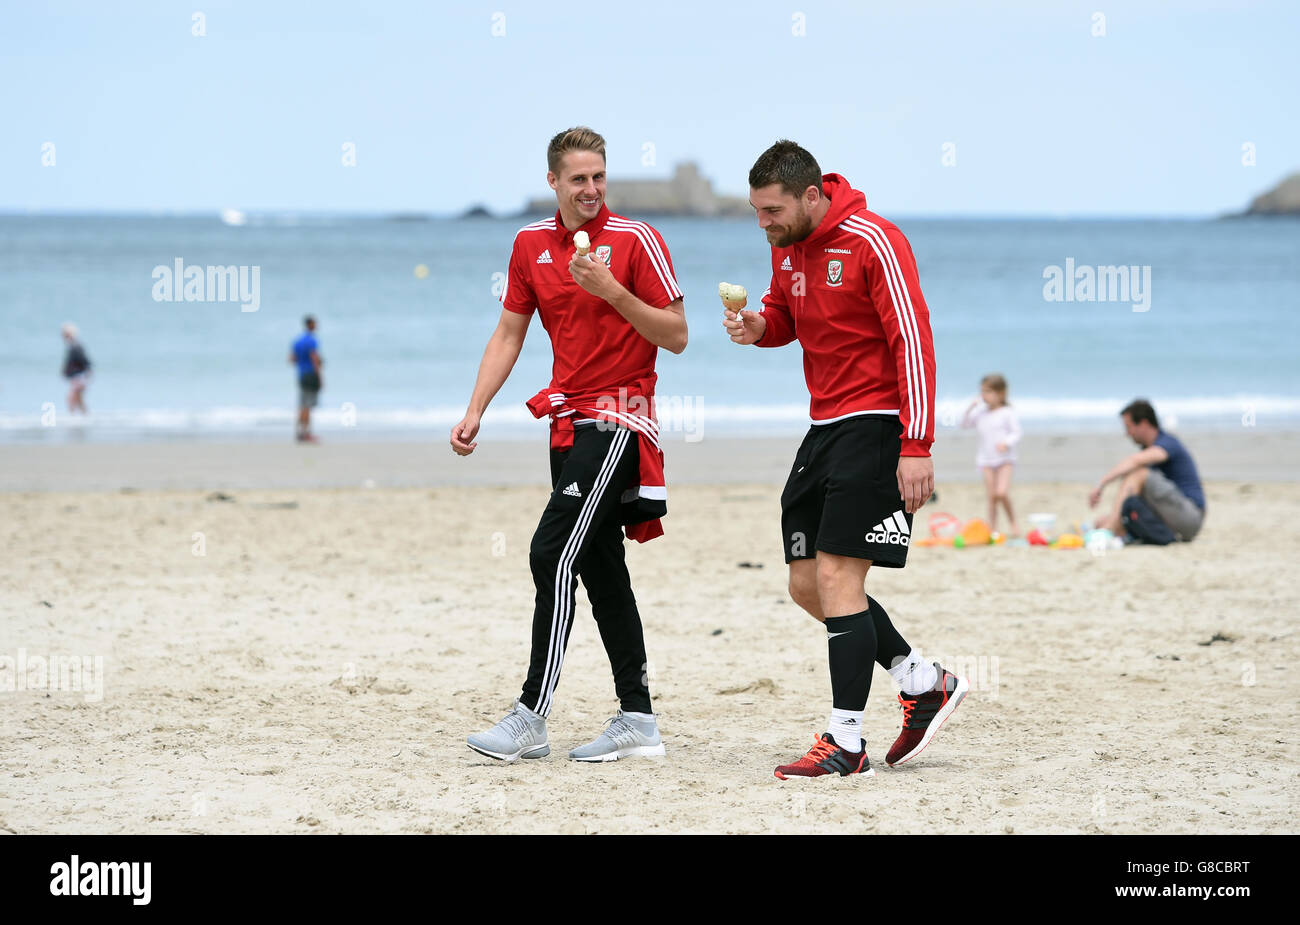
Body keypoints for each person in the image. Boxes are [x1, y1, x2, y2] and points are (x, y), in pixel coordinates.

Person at [724, 140, 968, 780]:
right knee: (807, 584)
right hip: (825, 426)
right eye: (756, 212)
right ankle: (922, 681)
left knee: (837, 579)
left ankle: (846, 741)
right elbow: (786, 317)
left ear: (812, 195)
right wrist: (758, 326)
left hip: (881, 424)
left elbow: (912, 340)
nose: (764, 224)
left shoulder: (872, 240)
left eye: (772, 210)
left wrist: (917, 446)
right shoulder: (787, 244)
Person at [452, 126, 687, 763]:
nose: (591, 189)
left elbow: (677, 334)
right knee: (599, 566)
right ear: (552, 181)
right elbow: (509, 331)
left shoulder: (637, 240)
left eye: (599, 177)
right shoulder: (529, 244)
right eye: (578, 179)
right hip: (566, 423)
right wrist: (477, 408)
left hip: (620, 419)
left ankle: (532, 715)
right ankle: (638, 720)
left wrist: (610, 289)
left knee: (550, 552)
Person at [1089, 399, 1205, 542]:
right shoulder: (1150, 450)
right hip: (1170, 515)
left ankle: (1109, 531)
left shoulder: (1167, 443)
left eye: (1128, 427)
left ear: (1143, 424)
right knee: (1102, 521)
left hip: (1190, 516)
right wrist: (1111, 519)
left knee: (1137, 472)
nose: (1127, 433)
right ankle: (1113, 528)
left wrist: (1102, 484)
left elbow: (1134, 461)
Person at [962, 373, 1022, 536]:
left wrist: (1006, 443)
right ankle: (993, 528)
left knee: (1001, 492)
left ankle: (1013, 523)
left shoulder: (1007, 412)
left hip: (1005, 460)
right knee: (991, 496)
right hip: (985, 460)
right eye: (982, 391)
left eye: (988, 392)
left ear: (1001, 394)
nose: (984, 395)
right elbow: (965, 424)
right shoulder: (981, 413)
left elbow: (1016, 432)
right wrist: (970, 408)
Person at [289, 315, 322, 443]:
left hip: (301, 374)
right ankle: (307, 433)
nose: (316, 326)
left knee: (302, 405)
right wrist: (319, 376)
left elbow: (292, 359)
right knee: (308, 406)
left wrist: (302, 363)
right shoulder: (311, 340)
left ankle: (299, 432)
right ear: (310, 325)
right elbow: (315, 358)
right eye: (314, 324)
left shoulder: (297, 341)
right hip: (311, 374)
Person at [61, 323, 92, 414]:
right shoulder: (73, 346)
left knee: (71, 399)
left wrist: (86, 374)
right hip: (78, 376)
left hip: (79, 377)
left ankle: (74, 418)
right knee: (78, 400)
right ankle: (84, 417)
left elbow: (85, 362)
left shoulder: (76, 346)